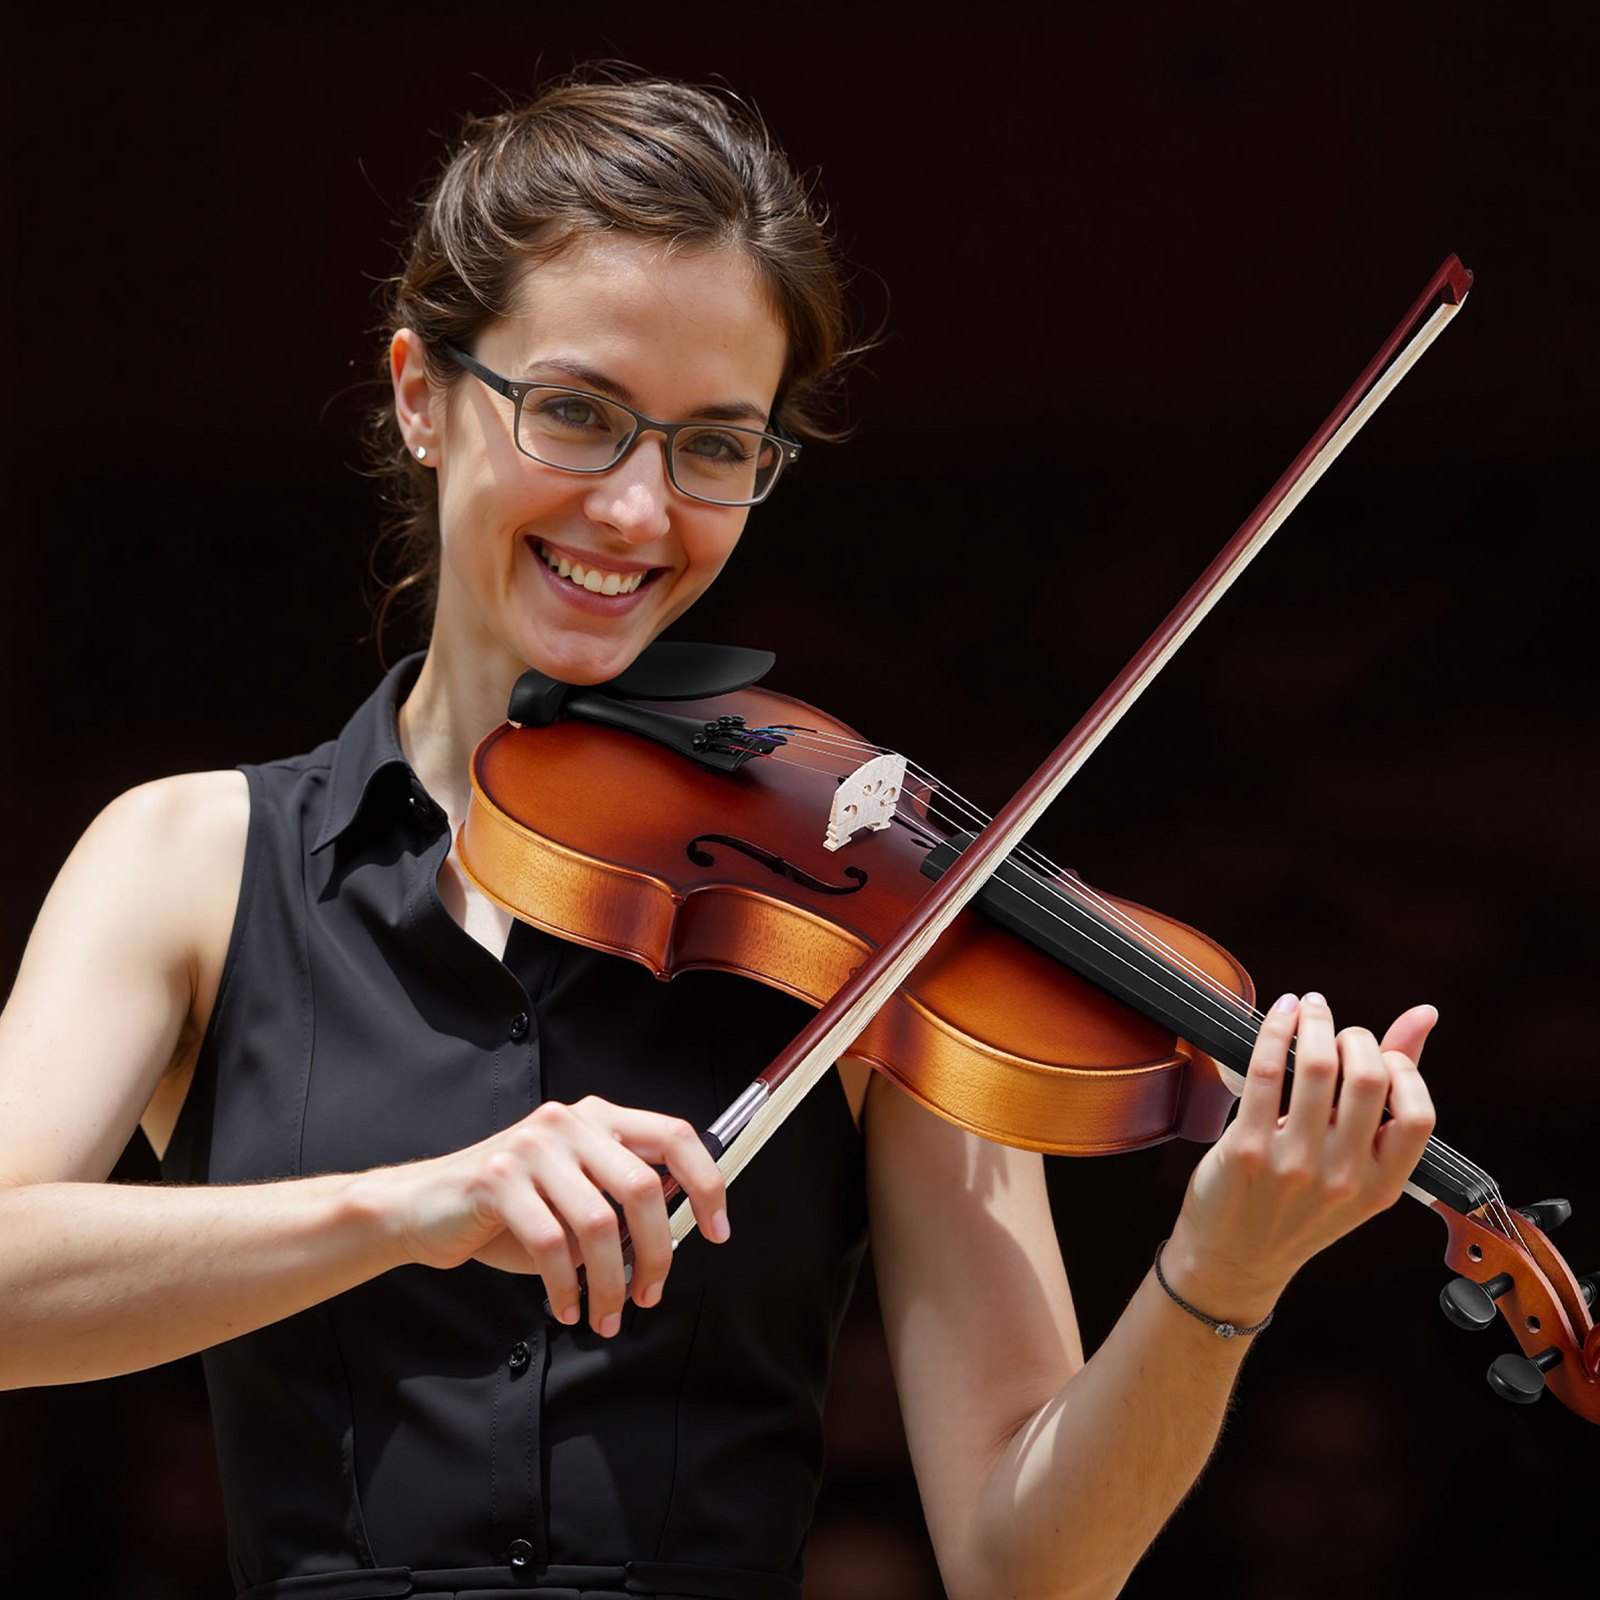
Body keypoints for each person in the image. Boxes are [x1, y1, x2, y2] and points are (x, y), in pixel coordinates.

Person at [0, 70, 1438, 1600]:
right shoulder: (189, 863)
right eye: (577, 413)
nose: (637, 509)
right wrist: (417, 1207)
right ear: (422, 395)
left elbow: (1031, 1564)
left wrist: (1222, 1275)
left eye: (714, 446)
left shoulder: (877, 918)